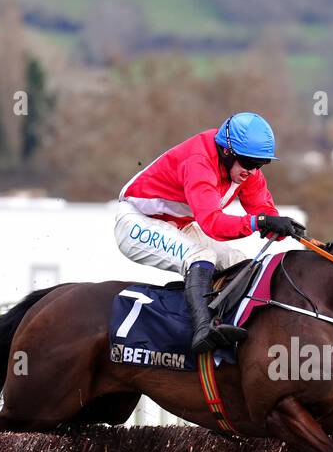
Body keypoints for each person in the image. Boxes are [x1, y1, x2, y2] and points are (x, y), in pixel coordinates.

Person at [114, 112, 307, 353]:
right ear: (227, 151)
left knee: (239, 262)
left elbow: (263, 211)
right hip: (136, 221)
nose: (253, 171)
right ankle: (203, 329)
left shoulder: (245, 168)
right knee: (200, 256)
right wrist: (260, 223)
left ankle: (236, 323)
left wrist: (278, 226)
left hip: (178, 223)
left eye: (260, 164)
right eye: (248, 163)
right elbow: (213, 224)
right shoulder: (199, 161)